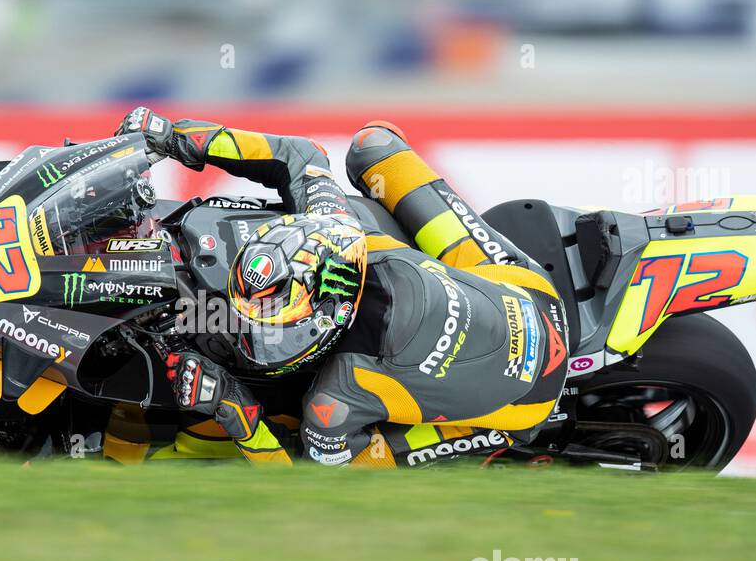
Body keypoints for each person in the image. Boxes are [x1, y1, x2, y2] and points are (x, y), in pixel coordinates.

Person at [115, 107, 570, 467]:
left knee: (345, 457)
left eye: (277, 328)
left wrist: (234, 408)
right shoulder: (338, 227)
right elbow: (301, 155)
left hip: (526, 399)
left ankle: (491, 437)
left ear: (327, 319)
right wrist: (174, 137)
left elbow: (306, 478)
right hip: (522, 288)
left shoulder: (339, 394)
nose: (253, 336)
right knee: (374, 144)